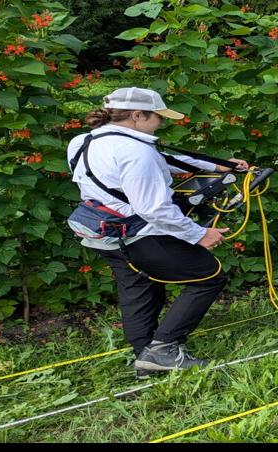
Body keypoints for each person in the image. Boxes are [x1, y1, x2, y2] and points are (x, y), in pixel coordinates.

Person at [66, 87, 249, 375]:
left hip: (104, 232)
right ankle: (163, 348)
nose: (161, 122)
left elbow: (162, 160)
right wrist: (199, 234)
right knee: (208, 276)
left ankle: (145, 357)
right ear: (137, 115)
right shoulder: (136, 151)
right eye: (158, 117)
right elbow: (154, 209)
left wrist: (218, 166)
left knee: (139, 287)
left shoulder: (83, 142)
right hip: (141, 233)